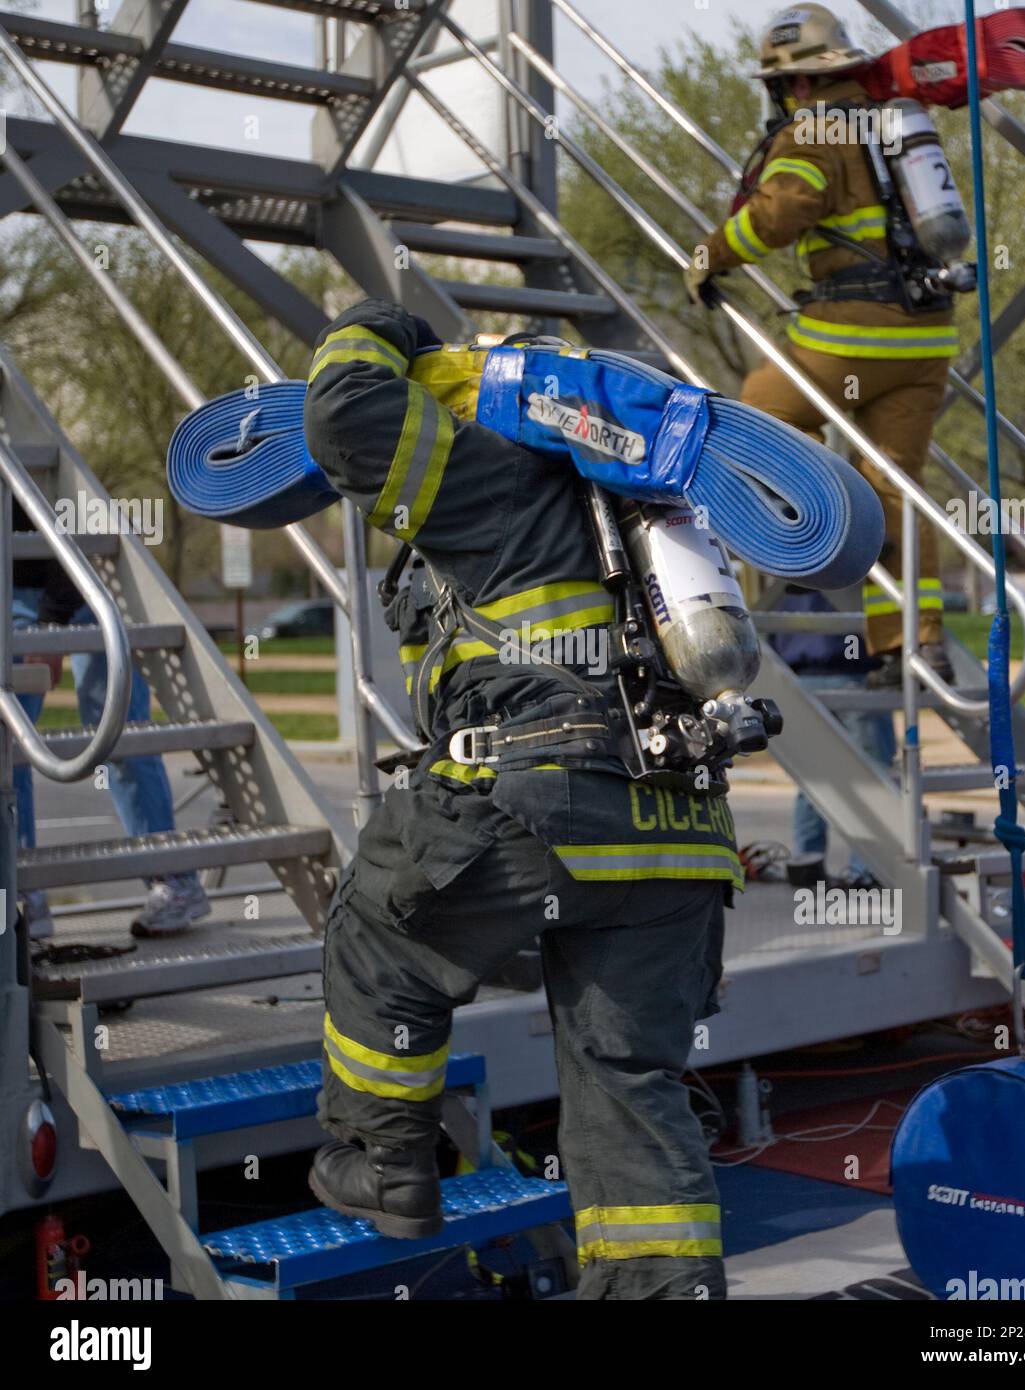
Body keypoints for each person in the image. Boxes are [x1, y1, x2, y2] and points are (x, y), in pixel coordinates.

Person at [303, 298, 744, 1300]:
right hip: (676, 835)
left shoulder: (485, 474)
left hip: (536, 797)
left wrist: (375, 327)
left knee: (377, 935)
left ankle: (385, 1164)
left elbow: (345, 419)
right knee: (628, 1083)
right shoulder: (654, 518)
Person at [685, 3, 958, 689]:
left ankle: (801, 525)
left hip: (854, 333)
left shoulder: (813, 129)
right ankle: (914, 646)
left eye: (779, 85)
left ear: (798, 83)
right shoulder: (892, 126)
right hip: (928, 337)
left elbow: (783, 212)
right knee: (895, 481)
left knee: (751, 415)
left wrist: (711, 255)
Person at [12, 509, 211, 939]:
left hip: (78, 580)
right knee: (11, 747)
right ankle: (24, 894)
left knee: (120, 735)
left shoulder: (29, 447)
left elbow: (69, 505)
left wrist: (50, 621)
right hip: (18, 589)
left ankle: (174, 881)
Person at [770, 586, 895, 886]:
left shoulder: (784, 549)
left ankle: (807, 862)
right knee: (870, 776)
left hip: (799, 674)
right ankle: (865, 870)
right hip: (852, 671)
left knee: (814, 779)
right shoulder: (847, 548)